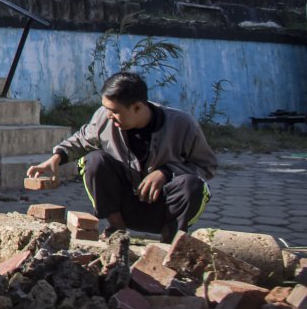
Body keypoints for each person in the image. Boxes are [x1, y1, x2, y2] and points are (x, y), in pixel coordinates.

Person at [27, 71, 216, 242]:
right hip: (126, 205)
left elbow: (206, 166)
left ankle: (171, 239)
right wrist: (56, 158)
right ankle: (117, 230)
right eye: (106, 109)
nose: (109, 116)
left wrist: (166, 172)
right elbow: (82, 139)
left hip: (164, 209)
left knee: (194, 185)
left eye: (115, 111)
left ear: (137, 107)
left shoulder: (183, 124)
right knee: (93, 160)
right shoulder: (105, 117)